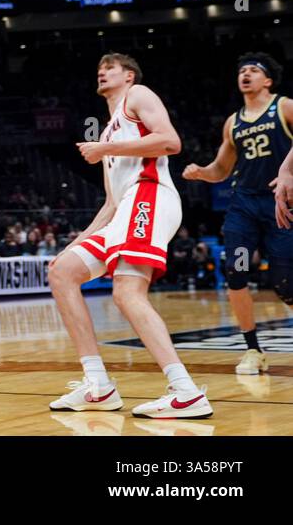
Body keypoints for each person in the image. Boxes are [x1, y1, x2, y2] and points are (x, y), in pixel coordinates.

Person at [48, 53, 211, 419]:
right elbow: (110, 203)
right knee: (61, 272)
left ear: (129, 75)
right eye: (99, 68)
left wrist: (105, 149)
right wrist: (73, 244)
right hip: (125, 208)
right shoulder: (107, 130)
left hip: (151, 194)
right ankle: (98, 385)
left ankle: (185, 392)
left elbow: (170, 141)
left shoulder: (137, 95)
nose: (102, 72)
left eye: (110, 68)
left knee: (126, 291)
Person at [182, 53, 293, 376]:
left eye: (253, 71)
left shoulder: (284, 107)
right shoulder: (234, 122)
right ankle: (253, 350)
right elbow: (221, 169)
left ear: (268, 80)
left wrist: (287, 172)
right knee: (236, 272)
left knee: (285, 284)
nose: (245, 74)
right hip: (244, 205)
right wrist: (202, 172)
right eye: (241, 70)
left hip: (280, 206)